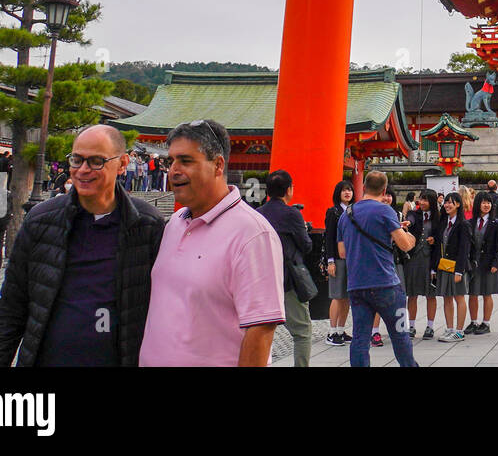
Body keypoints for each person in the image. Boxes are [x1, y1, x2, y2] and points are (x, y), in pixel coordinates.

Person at [0, 125, 164, 366]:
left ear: (122, 164)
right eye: (77, 160)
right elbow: (11, 307)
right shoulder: (41, 221)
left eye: (96, 161)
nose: (83, 170)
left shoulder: (146, 225)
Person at [140, 120, 284, 367]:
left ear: (218, 165)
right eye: (170, 161)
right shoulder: (174, 223)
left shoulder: (252, 234)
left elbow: (261, 328)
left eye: (185, 161)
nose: (173, 171)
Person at [335, 170, 417, 367]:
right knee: (401, 334)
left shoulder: (346, 215)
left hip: (357, 286)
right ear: (384, 189)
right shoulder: (385, 211)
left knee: (360, 339)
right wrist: (408, 234)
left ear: (363, 187)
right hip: (387, 285)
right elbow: (405, 245)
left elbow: (342, 252)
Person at [258, 169, 315, 367]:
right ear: (289, 190)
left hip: (263, 280)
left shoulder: (257, 214)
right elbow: (306, 245)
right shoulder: (292, 214)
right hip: (289, 280)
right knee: (302, 331)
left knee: (261, 330)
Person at [435, 191, 472, 342]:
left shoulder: (463, 224)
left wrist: (459, 271)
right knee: (447, 298)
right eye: (446, 202)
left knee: (459, 297)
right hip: (445, 266)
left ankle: (459, 331)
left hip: (457, 267)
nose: (447, 205)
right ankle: (449, 328)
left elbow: (464, 249)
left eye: (451, 202)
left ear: (458, 204)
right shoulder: (444, 222)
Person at [404, 189, 441, 339]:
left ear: (432, 202)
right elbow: (411, 221)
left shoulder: (438, 218)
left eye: (426, 200)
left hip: (430, 259)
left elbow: (441, 238)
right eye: (421, 199)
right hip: (413, 259)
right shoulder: (414, 214)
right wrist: (408, 223)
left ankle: (430, 326)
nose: (423, 202)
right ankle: (411, 326)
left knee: (430, 294)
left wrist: (435, 239)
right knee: (412, 294)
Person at [466, 191, 498, 334]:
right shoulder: (470, 222)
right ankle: (473, 321)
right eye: (483, 202)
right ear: (478, 204)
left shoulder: (497, 224)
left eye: (488, 202)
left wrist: (496, 264)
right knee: (473, 293)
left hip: (489, 263)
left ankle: (486, 323)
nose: (486, 205)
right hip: (473, 263)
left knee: (487, 293)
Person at [323, 180, 355, 346]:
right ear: (338, 193)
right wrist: (330, 261)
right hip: (337, 258)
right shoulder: (333, 212)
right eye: (344, 190)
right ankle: (332, 331)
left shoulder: (353, 211)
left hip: (351, 258)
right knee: (337, 296)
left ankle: (341, 330)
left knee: (347, 297)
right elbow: (328, 237)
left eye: (349, 190)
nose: (347, 193)